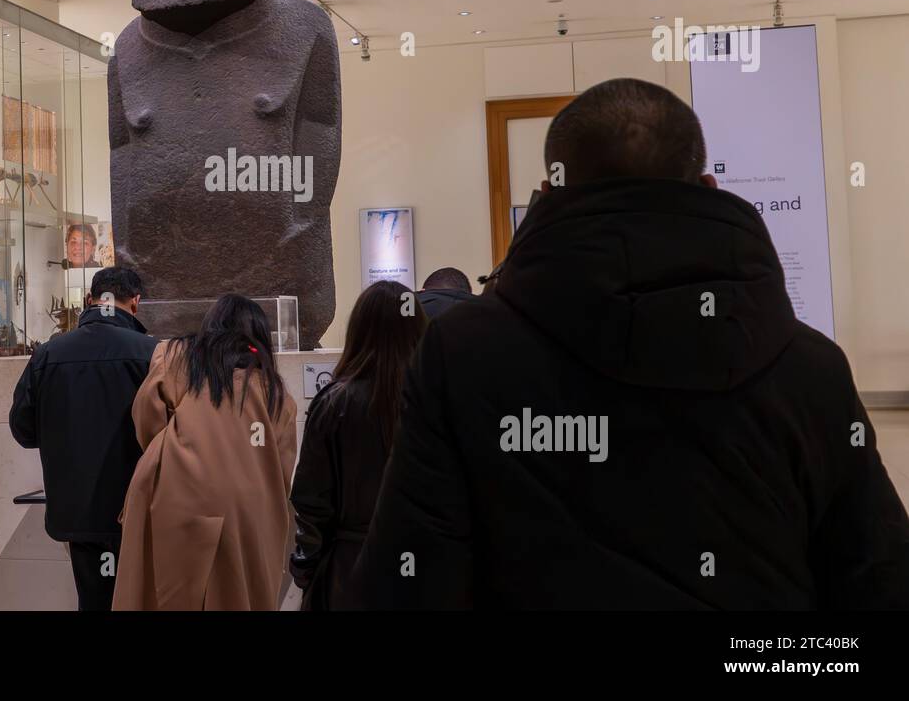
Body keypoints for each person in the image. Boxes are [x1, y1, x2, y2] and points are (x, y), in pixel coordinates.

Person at [354, 78, 909, 609]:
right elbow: (877, 578)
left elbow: (408, 580)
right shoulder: (810, 367)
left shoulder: (459, 354)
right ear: (708, 188)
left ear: (547, 195)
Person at [113, 293, 297, 610]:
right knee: (239, 591)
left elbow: (146, 416)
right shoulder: (273, 390)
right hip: (247, 504)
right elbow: (281, 464)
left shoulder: (176, 356)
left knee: (165, 591)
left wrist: (174, 451)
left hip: (176, 491)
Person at [7, 267, 157, 610]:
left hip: (75, 508)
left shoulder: (48, 353)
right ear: (135, 303)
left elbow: (23, 428)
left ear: (90, 300)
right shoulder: (151, 353)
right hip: (136, 504)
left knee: (93, 598)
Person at [289, 279, 426, 610]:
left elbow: (311, 499)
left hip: (348, 570)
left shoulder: (334, 403)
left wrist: (306, 569)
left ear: (359, 331)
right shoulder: (437, 401)